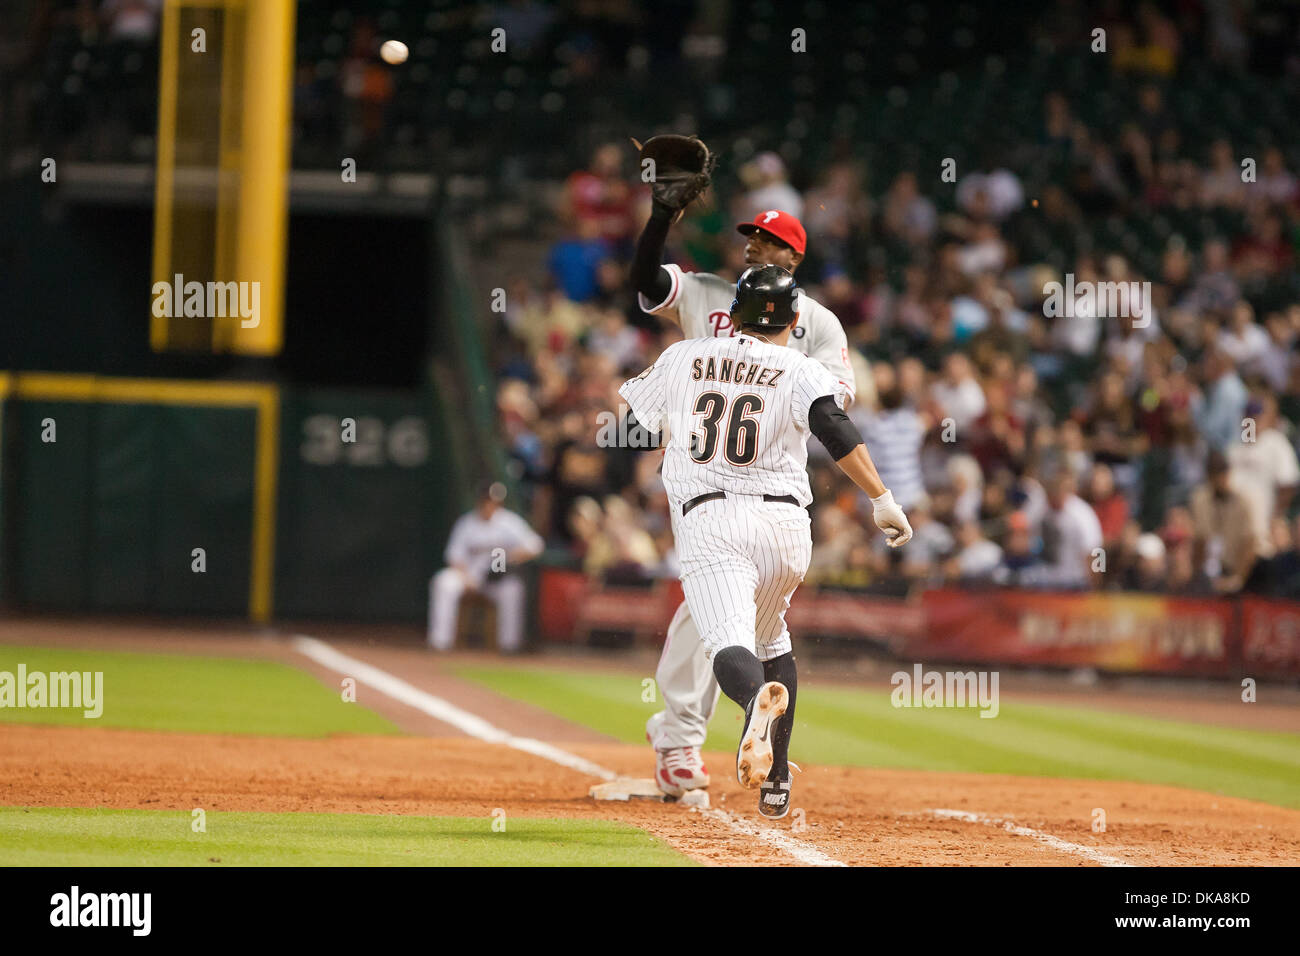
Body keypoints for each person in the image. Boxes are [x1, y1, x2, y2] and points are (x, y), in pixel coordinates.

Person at [618, 265, 911, 818]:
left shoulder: (686, 355)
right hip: (786, 529)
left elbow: (636, 420)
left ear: (733, 314)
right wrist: (881, 498)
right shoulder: (800, 368)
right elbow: (834, 426)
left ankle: (754, 701)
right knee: (773, 641)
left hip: (713, 523)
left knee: (730, 648)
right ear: (794, 318)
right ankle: (777, 777)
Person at [630, 187, 857, 800]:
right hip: (707, 479)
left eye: (772, 239)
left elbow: (830, 411)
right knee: (724, 622)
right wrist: (660, 219)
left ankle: (683, 741)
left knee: (711, 619)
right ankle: (738, 756)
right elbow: (644, 278)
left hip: (764, 486)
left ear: (794, 258)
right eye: (752, 234)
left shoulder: (819, 323)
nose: (756, 243)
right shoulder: (708, 292)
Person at [428, 481, 544, 653]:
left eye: (494, 502)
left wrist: (513, 556)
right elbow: (453, 555)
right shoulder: (466, 523)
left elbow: (536, 545)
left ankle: (509, 645)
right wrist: (466, 578)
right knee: (443, 582)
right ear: (479, 502)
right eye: (487, 501)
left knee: (513, 590)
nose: (490, 505)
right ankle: (440, 641)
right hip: (468, 576)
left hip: (496, 576)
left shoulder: (509, 522)